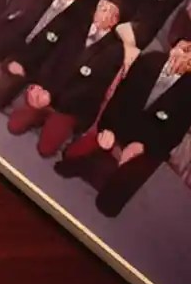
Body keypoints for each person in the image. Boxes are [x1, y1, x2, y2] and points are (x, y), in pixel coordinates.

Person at [55, 38, 191, 217]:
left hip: (148, 142)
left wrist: (142, 147)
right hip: (122, 125)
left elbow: (173, 135)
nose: (183, 57)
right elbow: (120, 97)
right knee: (72, 158)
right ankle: (91, 163)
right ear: (173, 47)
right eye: (183, 49)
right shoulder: (149, 60)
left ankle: (106, 174)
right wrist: (109, 128)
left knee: (108, 205)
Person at [6, 0, 126, 157]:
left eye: (106, 10)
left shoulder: (115, 51)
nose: (100, 12)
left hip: (71, 106)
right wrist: (43, 87)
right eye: (100, 7)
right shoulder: (77, 28)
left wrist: (54, 98)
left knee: (46, 149)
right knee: (14, 125)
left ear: (114, 21)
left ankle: (52, 118)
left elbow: (91, 90)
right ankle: (42, 115)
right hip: (50, 90)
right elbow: (54, 59)